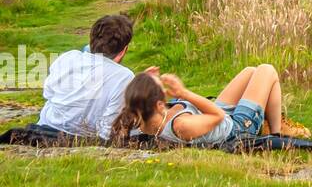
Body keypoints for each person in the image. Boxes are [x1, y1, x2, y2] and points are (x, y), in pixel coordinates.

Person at [38, 14, 153, 140]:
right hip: (83, 139)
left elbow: (48, 93)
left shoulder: (67, 57)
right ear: (123, 51)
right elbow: (108, 129)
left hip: (43, 127)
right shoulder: (124, 76)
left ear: (91, 39)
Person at [109, 64, 284, 146]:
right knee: (266, 70)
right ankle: (276, 134)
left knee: (250, 72)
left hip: (215, 115)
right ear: (160, 105)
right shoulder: (182, 125)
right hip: (236, 128)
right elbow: (218, 116)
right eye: (162, 86)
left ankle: (271, 119)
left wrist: (145, 80)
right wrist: (184, 93)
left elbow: (138, 98)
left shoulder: (142, 119)